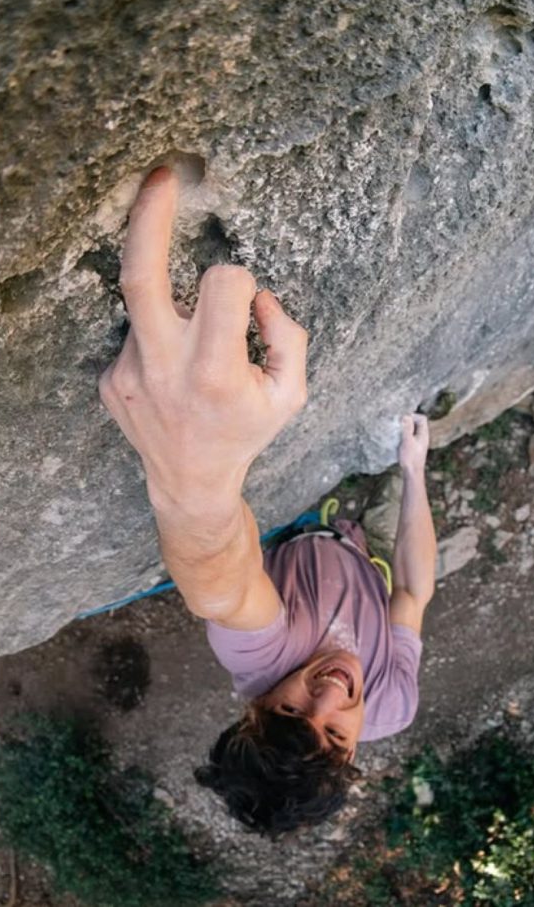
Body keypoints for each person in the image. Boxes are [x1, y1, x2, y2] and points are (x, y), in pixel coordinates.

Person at [99, 167, 437, 837]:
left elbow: (220, 586)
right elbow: (412, 598)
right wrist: (415, 472)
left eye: (290, 712)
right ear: (353, 755)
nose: (332, 693)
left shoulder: (257, 659)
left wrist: (192, 476)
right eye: (337, 735)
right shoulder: (393, 704)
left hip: (290, 537)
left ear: (254, 710)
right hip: (352, 550)